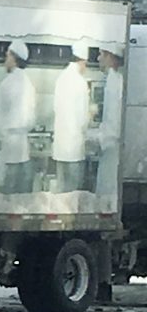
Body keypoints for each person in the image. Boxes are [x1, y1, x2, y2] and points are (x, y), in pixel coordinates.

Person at [0, 40, 37, 193]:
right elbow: (31, 120)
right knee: (20, 202)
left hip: (8, 152)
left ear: (14, 59)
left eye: (7, 56)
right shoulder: (29, 84)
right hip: (23, 153)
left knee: (5, 201)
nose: (5, 60)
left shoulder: (6, 84)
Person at [52, 43, 91, 191]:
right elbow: (82, 120)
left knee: (61, 193)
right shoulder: (80, 83)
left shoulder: (61, 78)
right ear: (82, 61)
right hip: (74, 149)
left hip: (60, 148)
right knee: (74, 195)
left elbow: (56, 108)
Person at [94, 42, 125, 197]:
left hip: (111, 148)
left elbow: (113, 122)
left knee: (107, 193)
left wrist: (98, 138)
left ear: (110, 57)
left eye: (102, 54)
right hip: (109, 148)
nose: (98, 58)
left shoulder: (114, 83)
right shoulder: (112, 80)